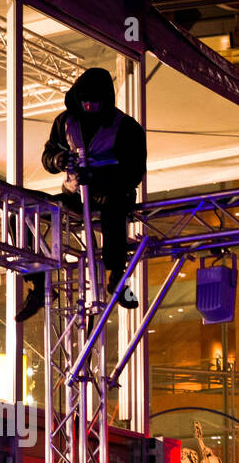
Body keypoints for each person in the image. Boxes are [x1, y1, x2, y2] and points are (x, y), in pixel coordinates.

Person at [15, 66, 147, 322]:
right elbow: (47, 155)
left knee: (114, 212)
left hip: (111, 194)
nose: (88, 107)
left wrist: (99, 178)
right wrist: (57, 160)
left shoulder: (127, 128)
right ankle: (37, 284)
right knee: (21, 213)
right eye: (84, 101)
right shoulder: (65, 122)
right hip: (74, 195)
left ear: (105, 100)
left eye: (93, 102)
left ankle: (116, 277)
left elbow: (133, 173)